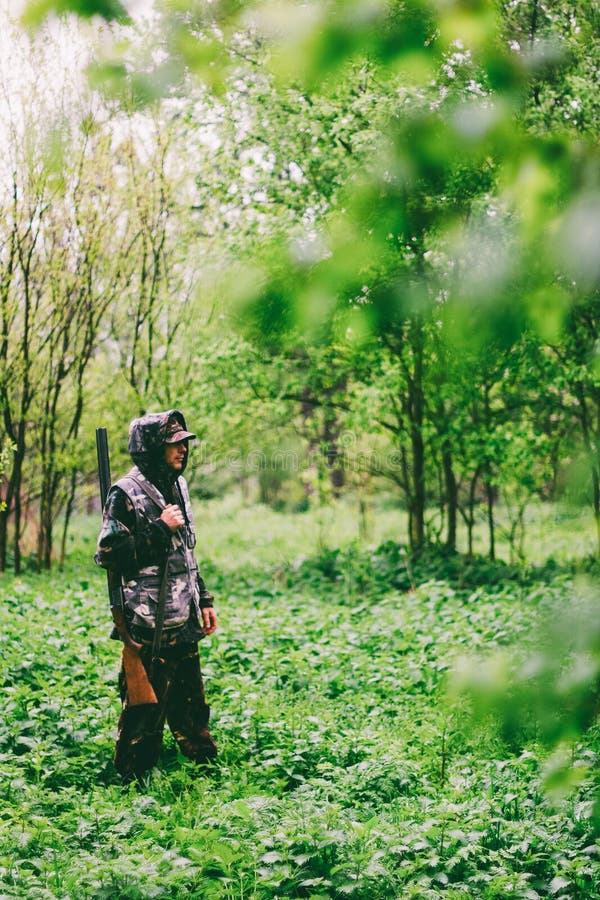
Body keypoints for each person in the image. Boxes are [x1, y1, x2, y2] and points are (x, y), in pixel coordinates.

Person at [95, 409, 218, 782]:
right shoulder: (125, 493)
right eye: (173, 444)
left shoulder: (178, 486)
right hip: (146, 622)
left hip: (182, 617)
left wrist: (205, 599)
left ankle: (206, 774)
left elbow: (187, 551)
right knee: (143, 715)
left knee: (192, 707)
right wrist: (159, 528)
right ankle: (133, 783)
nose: (182, 449)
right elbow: (110, 554)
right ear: (150, 448)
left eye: (184, 443)